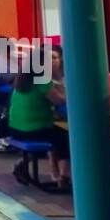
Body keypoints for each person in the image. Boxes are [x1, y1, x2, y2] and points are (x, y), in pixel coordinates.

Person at [8, 45, 69, 190]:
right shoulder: (42, 79)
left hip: (16, 128)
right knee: (66, 138)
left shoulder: (23, 79)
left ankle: (54, 173)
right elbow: (60, 100)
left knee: (55, 135)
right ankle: (62, 177)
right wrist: (59, 78)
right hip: (33, 130)